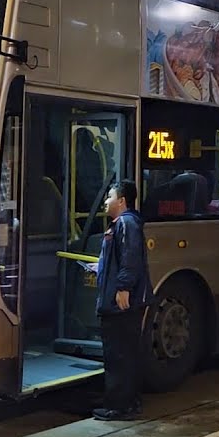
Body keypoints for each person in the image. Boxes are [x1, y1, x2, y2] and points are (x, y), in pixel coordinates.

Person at [90, 179, 153, 421]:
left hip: (120, 305)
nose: (106, 201)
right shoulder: (122, 225)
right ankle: (127, 401)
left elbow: (130, 259)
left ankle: (118, 406)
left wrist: (123, 287)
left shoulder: (126, 224)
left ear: (122, 200)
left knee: (118, 355)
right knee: (125, 353)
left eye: (109, 196)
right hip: (119, 300)